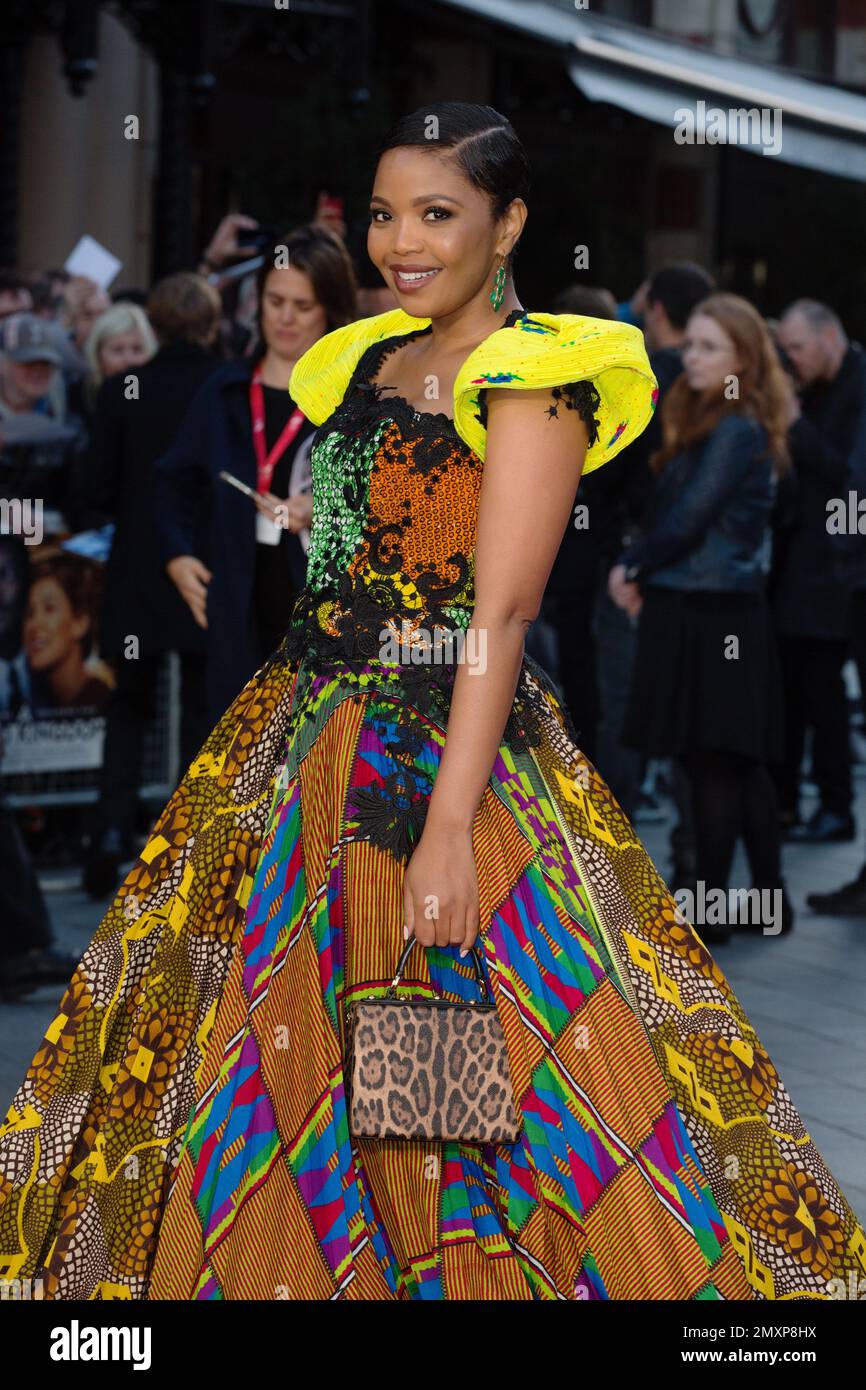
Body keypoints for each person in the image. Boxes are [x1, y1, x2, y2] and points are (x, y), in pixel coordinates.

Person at [0, 103, 863, 1303]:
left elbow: (497, 617)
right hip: (294, 736)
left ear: (508, 224)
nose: (402, 242)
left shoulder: (540, 376)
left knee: (453, 1061)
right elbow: (385, 525)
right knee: (242, 1046)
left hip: (439, 759)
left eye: (438, 215)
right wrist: (322, 522)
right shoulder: (368, 356)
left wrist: (450, 828)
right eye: (386, 215)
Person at [612, 294, 793, 943]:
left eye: (710, 347)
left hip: (717, 616)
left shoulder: (739, 425)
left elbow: (686, 521)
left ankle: (710, 909)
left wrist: (631, 567)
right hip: (696, 606)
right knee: (720, 763)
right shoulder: (708, 416)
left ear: (744, 357)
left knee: (717, 763)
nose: (692, 358)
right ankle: (756, 902)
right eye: (692, 345)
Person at [153, 224, 357, 720]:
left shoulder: (353, 396)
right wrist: (177, 558)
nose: (285, 318)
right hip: (234, 605)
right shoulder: (223, 390)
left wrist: (324, 507)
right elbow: (169, 481)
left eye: (302, 306)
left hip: (320, 610)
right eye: (275, 300)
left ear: (330, 308)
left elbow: (387, 495)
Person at [80, 274, 223, 898]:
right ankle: (185, 847)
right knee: (201, 706)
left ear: (154, 326)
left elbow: (91, 490)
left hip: (140, 568)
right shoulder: (224, 386)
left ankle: (108, 840)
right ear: (211, 324)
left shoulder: (122, 392)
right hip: (201, 564)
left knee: (127, 709)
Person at [592, 262, 715, 829]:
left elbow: (612, 470)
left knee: (626, 699)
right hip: (671, 562)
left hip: (638, 556)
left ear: (658, 309)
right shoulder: (707, 391)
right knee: (670, 709)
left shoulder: (649, 381)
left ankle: (613, 831)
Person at [772, 300, 866, 842]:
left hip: (837, 576)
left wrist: (797, 426)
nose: (790, 360)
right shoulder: (816, 387)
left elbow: (846, 478)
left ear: (830, 337)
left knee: (827, 698)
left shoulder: (856, 388)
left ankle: (837, 807)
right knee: (799, 693)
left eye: (798, 348)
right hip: (799, 571)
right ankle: (793, 804)